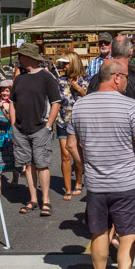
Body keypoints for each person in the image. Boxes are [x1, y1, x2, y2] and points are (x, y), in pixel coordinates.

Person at [67, 63, 135, 269]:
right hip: (126, 182)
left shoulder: (80, 105)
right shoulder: (130, 106)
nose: (126, 82)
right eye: (125, 77)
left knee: (98, 232)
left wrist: (86, 165)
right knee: (128, 235)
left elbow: (71, 146)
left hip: (96, 183)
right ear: (116, 78)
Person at [11, 42, 61, 216]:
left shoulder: (47, 77)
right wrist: (13, 123)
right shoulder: (19, 78)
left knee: (42, 164)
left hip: (40, 127)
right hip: (21, 128)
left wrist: (48, 125)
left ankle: (45, 200)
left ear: (28, 57)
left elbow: (56, 102)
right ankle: (32, 199)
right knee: (28, 165)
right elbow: (12, 102)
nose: (18, 59)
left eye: (20, 56)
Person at [88, 37, 135, 123]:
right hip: (129, 133)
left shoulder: (96, 79)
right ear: (131, 51)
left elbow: (88, 108)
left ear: (111, 50)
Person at [54, 52, 88, 201]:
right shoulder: (60, 80)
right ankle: (67, 188)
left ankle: (79, 181)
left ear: (73, 63)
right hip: (63, 120)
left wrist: (78, 88)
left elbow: (91, 99)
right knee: (65, 154)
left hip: (80, 121)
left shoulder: (87, 80)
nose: (63, 67)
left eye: (66, 63)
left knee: (77, 154)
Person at [0, 80, 15, 190]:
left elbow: (10, 118)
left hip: (9, 134)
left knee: (12, 157)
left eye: (7, 91)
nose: (5, 93)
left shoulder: (12, 104)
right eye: (3, 91)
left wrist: (3, 108)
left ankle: (15, 178)